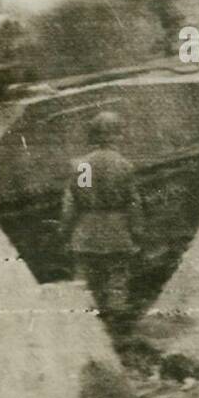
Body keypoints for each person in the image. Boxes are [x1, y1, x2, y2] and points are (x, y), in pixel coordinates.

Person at [60, 110, 143, 337]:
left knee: (84, 281)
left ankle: (83, 330)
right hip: (116, 231)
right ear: (116, 135)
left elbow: (71, 203)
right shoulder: (124, 165)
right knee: (117, 279)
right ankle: (115, 331)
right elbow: (133, 203)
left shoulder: (82, 166)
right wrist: (137, 232)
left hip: (86, 231)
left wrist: (65, 232)